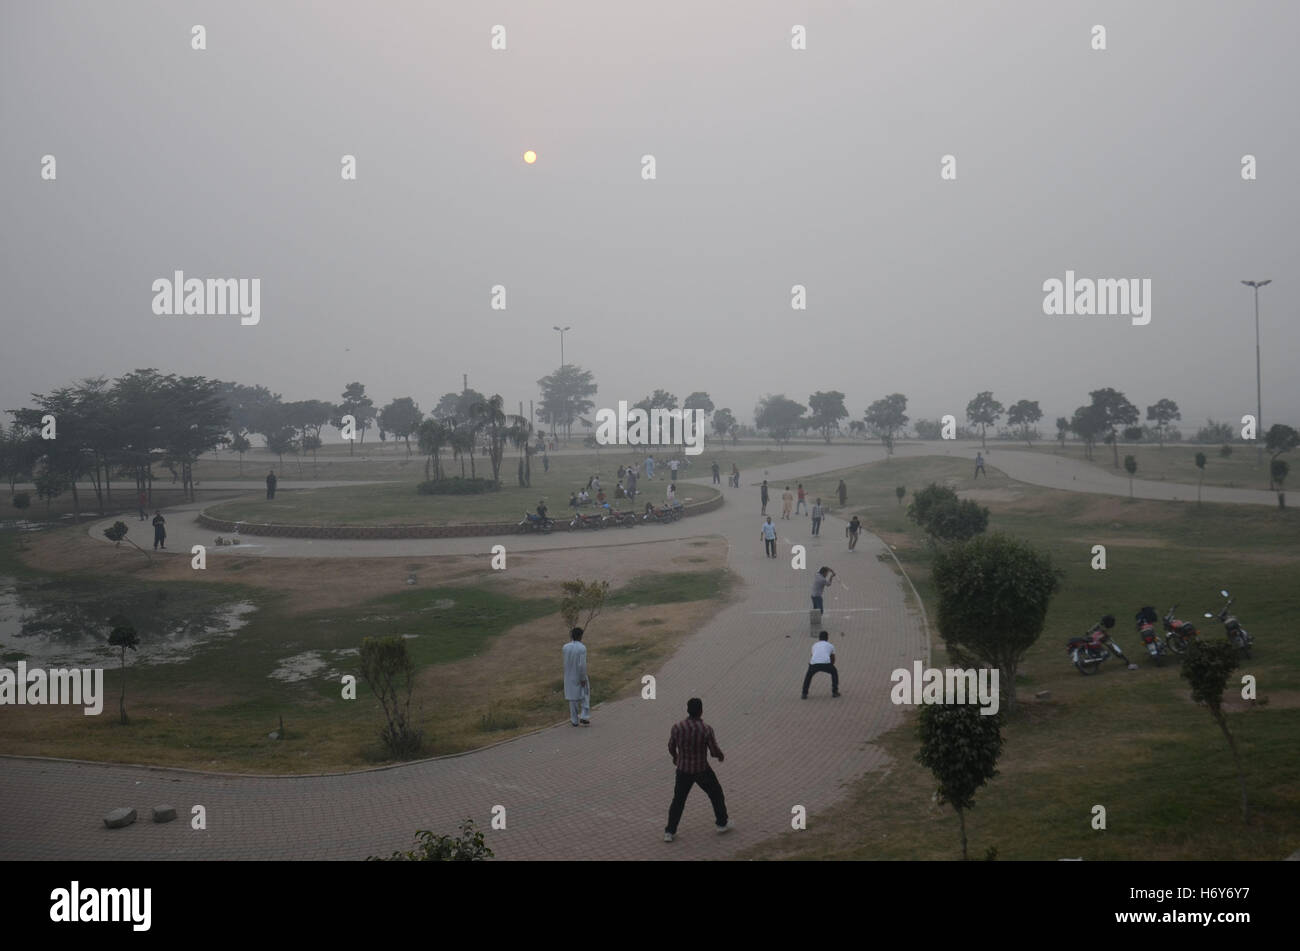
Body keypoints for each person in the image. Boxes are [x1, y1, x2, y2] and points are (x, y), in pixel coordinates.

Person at [663, 697, 731, 842]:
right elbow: (713, 751)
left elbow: (670, 746)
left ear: (688, 710)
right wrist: (720, 756)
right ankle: (722, 823)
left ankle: (669, 831)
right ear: (701, 711)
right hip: (702, 770)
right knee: (716, 794)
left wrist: (676, 757)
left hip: (683, 770)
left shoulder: (677, 727)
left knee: (678, 801)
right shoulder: (706, 729)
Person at [562, 627, 591, 727]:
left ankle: (574, 720)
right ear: (580, 636)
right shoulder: (582, 648)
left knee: (572, 699)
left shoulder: (565, 647)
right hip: (579, 675)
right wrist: (583, 678)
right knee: (585, 695)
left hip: (569, 675)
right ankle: (584, 716)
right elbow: (582, 665)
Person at [801, 631, 840, 699]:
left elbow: (813, 655)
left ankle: (804, 693)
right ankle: (835, 692)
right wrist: (830, 665)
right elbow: (833, 658)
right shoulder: (830, 645)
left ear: (819, 638)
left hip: (814, 664)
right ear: (827, 638)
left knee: (808, 676)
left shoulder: (814, 645)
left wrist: (811, 664)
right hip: (826, 663)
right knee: (834, 672)